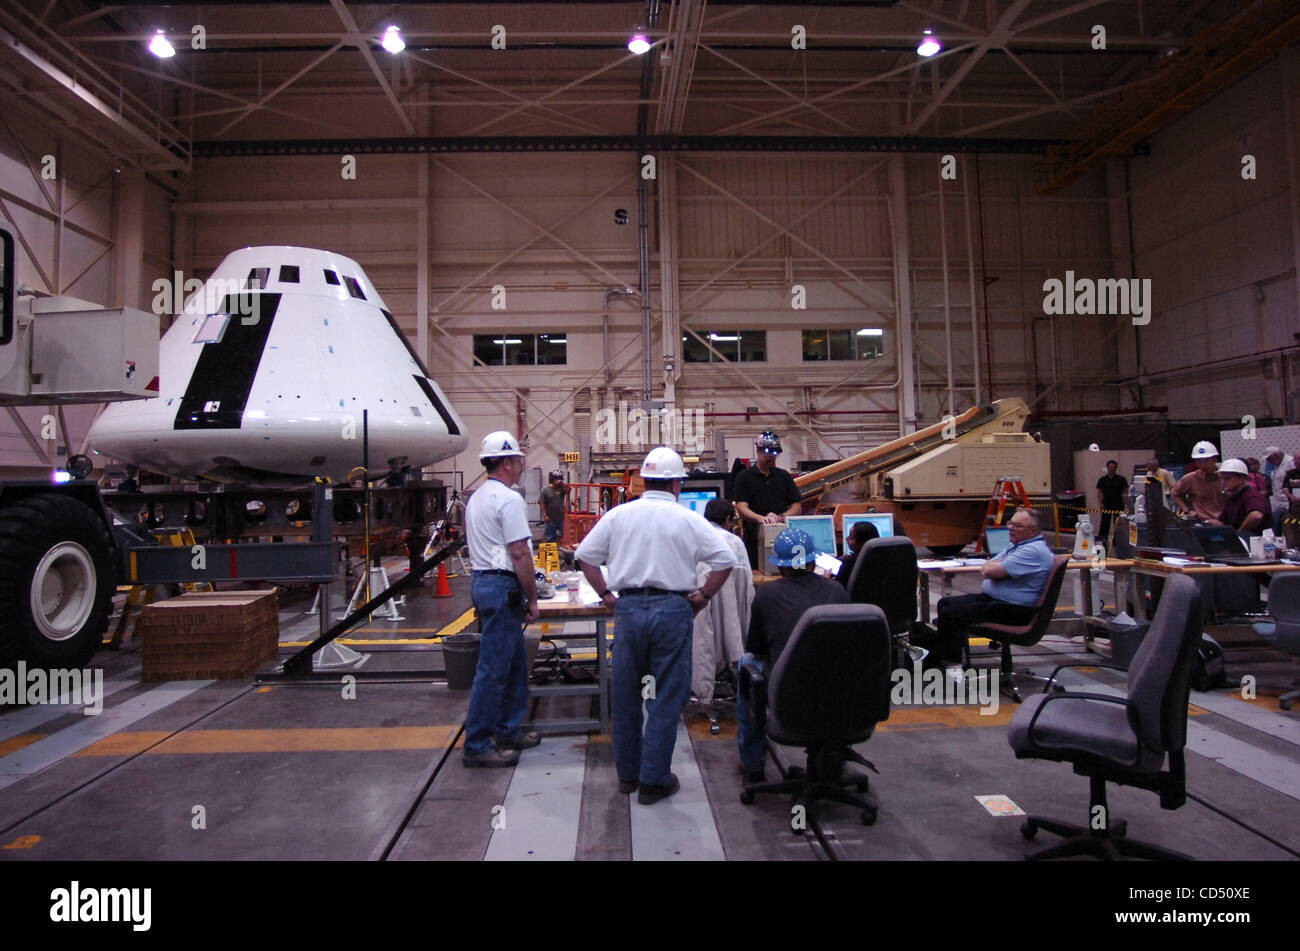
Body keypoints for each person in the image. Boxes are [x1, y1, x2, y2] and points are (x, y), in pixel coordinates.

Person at [575, 447, 736, 804]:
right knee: (666, 697)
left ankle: (628, 777)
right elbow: (726, 559)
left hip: (629, 609)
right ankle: (654, 781)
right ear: (677, 483)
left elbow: (585, 556)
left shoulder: (619, 515)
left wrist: (606, 595)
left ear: (642, 481)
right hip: (672, 609)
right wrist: (704, 596)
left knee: (627, 696)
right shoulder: (688, 519)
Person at [736, 527, 848, 782]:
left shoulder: (766, 594)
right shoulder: (837, 591)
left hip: (788, 697)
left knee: (746, 663)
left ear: (781, 566)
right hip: (838, 699)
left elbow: (756, 648)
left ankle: (753, 765)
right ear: (812, 561)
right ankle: (835, 759)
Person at [462, 431, 541, 768]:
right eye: (519, 459)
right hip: (501, 585)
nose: (523, 464)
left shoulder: (477, 497)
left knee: (511, 663)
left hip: (484, 582)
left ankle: (509, 729)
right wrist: (533, 598)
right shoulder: (509, 500)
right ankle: (477, 744)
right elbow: (520, 552)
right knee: (493, 669)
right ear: (506, 461)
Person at [918, 507, 1053, 677]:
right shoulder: (1017, 546)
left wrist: (996, 566)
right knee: (945, 603)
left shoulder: (1032, 551)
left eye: (1018, 526)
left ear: (1033, 531)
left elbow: (989, 571)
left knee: (952, 614)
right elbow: (989, 564)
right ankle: (945, 657)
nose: (1011, 528)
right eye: (1010, 524)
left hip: (1015, 610)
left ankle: (954, 668)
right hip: (998, 602)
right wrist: (996, 565)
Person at [691, 499, 754, 706]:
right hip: (731, 629)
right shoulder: (735, 543)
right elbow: (748, 586)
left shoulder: (693, 541)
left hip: (699, 623)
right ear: (729, 519)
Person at [732, 431, 802, 569]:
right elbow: (741, 506)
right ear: (758, 450)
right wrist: (762, 519)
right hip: (754, 539)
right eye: (768, 452)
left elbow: (797, 506)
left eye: (775, 453)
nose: (771, 456)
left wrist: (780, 518)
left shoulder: (784, 476)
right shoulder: (744, 477)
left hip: (782, 538)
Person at [1214, 459, 1268, 534]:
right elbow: (1221, 522)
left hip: (1255, 541)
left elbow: (1256, 516)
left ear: (1241, 479)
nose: (1222, 482)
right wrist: (1203, 524)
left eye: (1227, 478)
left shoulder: (1252, 495)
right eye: (1221, 478)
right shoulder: (1233, 497)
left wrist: (1239, 533)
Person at [1174, 441, 1224, 522]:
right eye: (1199, 461)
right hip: (1202, 522)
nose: (1203, 465)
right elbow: (1176, 493)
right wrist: (1186, 510)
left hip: (1224, 521)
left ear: (1215, 460)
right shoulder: (1190, 478)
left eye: (1206, 461)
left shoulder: (1225, 477)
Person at [836, 519, 880, 589]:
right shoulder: (882, 560)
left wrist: (827, 578)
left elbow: (838, 587)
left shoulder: (848, 563)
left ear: (863, 542)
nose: (846, 539)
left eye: (851, 537)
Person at [1095, 459, 1128, 543]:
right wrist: (1100, 503)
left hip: (1118, 504)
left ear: (1116, 468)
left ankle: (1117, 540)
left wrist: (1125, 503)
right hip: (1106, 504)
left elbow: (1125, 491)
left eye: (1113, 467)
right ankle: (1103, 538)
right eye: (1110, 467)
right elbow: (1098, 492)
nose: (1112, 469)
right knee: (1104, 522)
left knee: (1118, 523)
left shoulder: (1121, 479)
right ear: (1107, 467)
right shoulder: (1102, 479)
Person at [1264, 446, 1295, 535]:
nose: (1268, 461)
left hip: (1288, 504)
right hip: (1278, 503)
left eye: (1269, 459)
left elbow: (1290, 484)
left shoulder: (1290, 463)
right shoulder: (1278, 465)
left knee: (1290, 530)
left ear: (1277, 456)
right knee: (1281, 530)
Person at [540, 470, 566, 543]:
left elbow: (568, 490)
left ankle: (562, 551)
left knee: (565, 536)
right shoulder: (545, 490)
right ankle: (552, 552)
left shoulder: (561, 488)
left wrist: (563, 484)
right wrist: (545, 515)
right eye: (557, 478)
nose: (559, 480)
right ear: (553, 479)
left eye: (560, 478)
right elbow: (542, 503)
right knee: (550, 537)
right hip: (550, 518)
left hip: (561, 517)